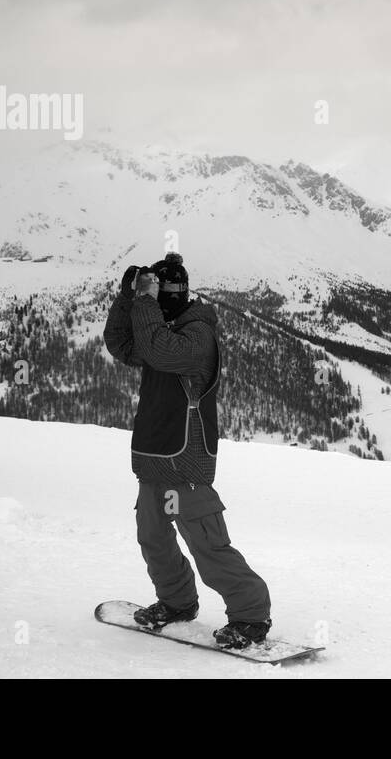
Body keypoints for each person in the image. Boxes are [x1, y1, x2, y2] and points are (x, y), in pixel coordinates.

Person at [103, 252, 273, 649]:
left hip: (184, 460)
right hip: (154, 455)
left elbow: (160, 351)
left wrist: (144, 302)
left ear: (172, 294)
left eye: (157, 295)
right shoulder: (162, 329)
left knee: (206, 543)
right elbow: (123, 343)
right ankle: (176, 602)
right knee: (153, 538)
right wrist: (127, 299)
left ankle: (250, 615)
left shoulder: (195, 336)